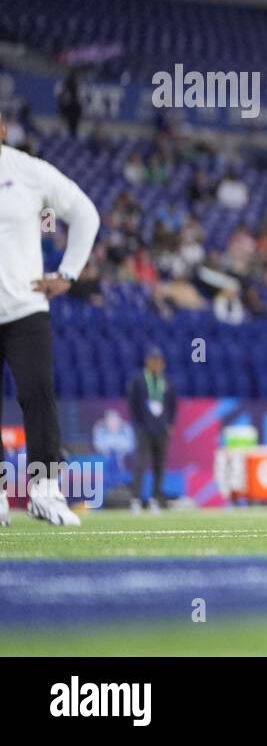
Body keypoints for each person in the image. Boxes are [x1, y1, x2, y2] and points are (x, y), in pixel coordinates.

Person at [0, 107, 101, 526]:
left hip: (26, 308)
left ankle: (45, 491)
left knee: (39, 395)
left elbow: (85, 214)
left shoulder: (29, 171)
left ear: (2, 130)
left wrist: (68, 274)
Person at [126, 346, 177, 512]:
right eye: (153, 360)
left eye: (159, 361)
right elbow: (133, 403)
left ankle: (156, 498)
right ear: (147, 362)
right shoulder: (139, 380)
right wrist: (139, 423)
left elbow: (172, 405)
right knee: (141, 463)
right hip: (144, 428)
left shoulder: (167, 381)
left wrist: (170, 424)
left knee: (160, 464)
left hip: (161, 429)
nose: (156, 364)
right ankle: (136, 499)